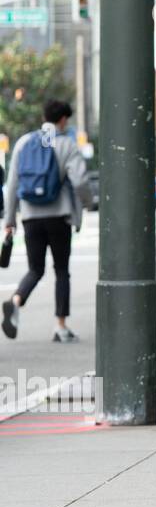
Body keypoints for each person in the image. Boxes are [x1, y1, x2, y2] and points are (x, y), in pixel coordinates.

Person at [2, 101, 94, 343]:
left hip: (31, 217)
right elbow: (81, 182)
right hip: (58, 216)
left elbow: (12, 185)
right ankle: (60, 326)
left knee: (35, 269)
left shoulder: (23, 143)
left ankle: (15, 301)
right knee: (61, 270)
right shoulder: (66, 144)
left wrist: (10, 219)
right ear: (63, 120)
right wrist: (87, 203)